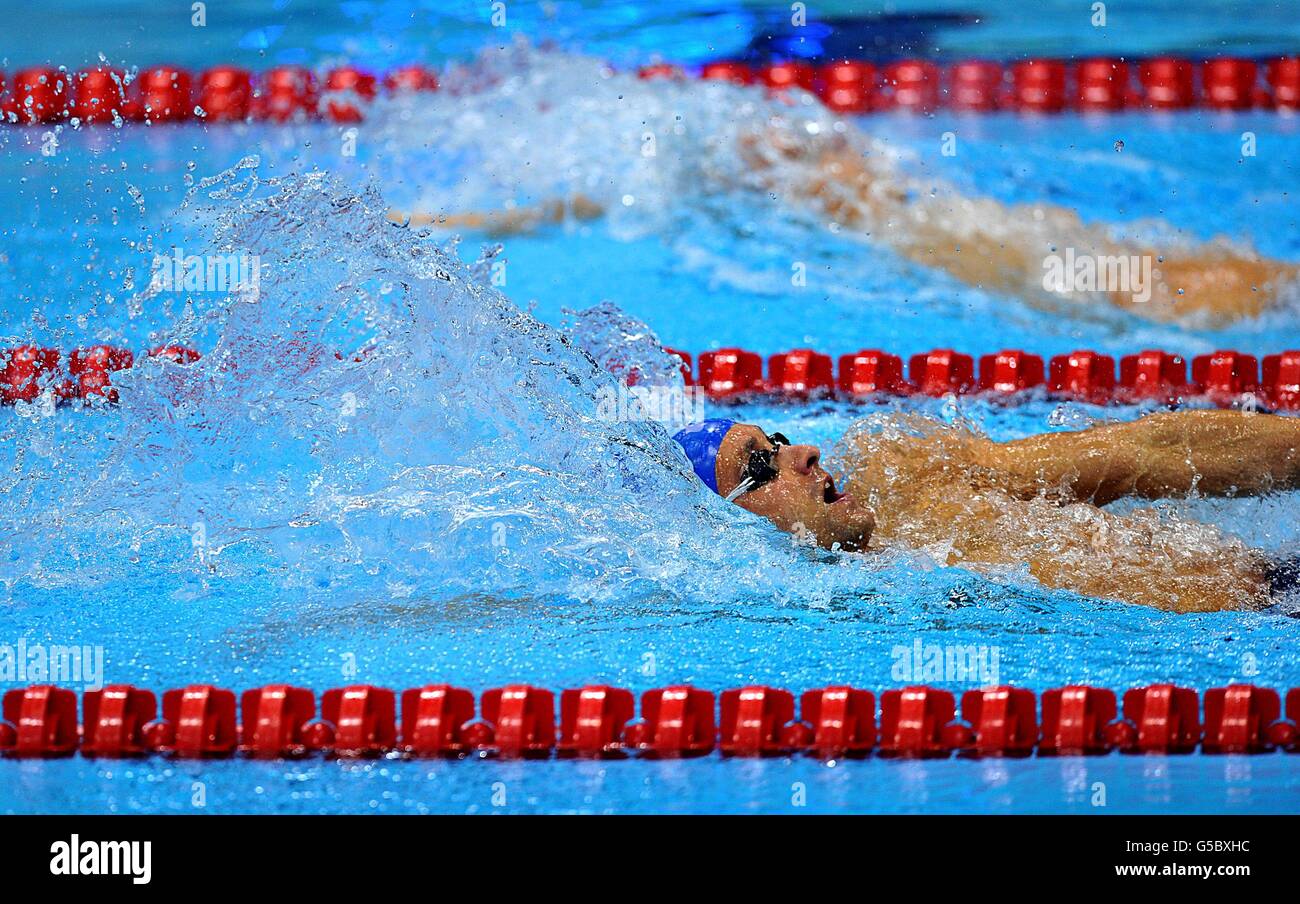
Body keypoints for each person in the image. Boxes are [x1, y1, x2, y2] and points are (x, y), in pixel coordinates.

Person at [390, 116, 1298, 326]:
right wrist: (438, 214)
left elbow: (567, 208)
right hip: (1028, 256)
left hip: (1032, 267)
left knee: (1187, 294)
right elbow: (565, 206)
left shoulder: (885, 222)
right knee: (1197, 280)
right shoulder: (892, 211)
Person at [673, 410, 1300, 613]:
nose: (804, 452)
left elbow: (1142, 452)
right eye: (760, 468)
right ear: (728, 530)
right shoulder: (813, 615)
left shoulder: (915, 477)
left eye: (779, 443)